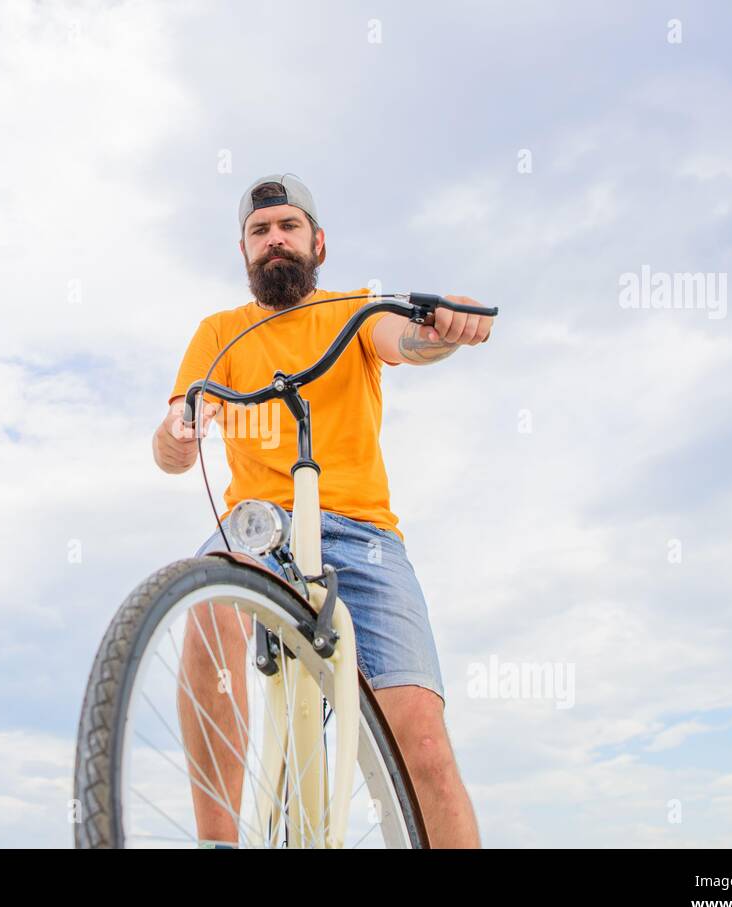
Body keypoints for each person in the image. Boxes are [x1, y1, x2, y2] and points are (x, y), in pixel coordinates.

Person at [153, 173, 492, 848]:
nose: (273, 239)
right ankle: (218, 841)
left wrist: (447, 328)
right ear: (244, 250)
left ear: (318, 242)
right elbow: (179, 429)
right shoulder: (219, 332)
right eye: (259, 231)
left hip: (365, 536)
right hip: (259, 524)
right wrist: (176, 434)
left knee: (420, 743)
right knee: (208, 600)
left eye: (287, 227)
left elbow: (411, 341)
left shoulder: (357, 309)